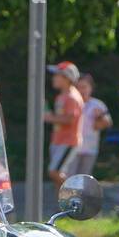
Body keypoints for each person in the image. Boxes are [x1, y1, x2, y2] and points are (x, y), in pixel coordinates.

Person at [43, 61, 83, 191]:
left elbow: (70, 119)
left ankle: (78, 196)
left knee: (54, 172)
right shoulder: (61, 96)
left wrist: (49, 118)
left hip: (68, 141)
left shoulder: (72, 97)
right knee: (57, 176)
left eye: (57, 75)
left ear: (67, 78)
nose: (54, 78)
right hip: (58, 140)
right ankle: (63, 207)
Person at [61, 73, 111, 178]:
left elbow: (106, 123)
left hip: (90, 149)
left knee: (84, 179)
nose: (81, 90)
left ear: (91, 88)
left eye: (84, 87)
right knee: (69, 178)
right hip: (71, 147)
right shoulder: (70, 102)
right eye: (78, 87)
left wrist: (100, 117)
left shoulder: (97, 104)